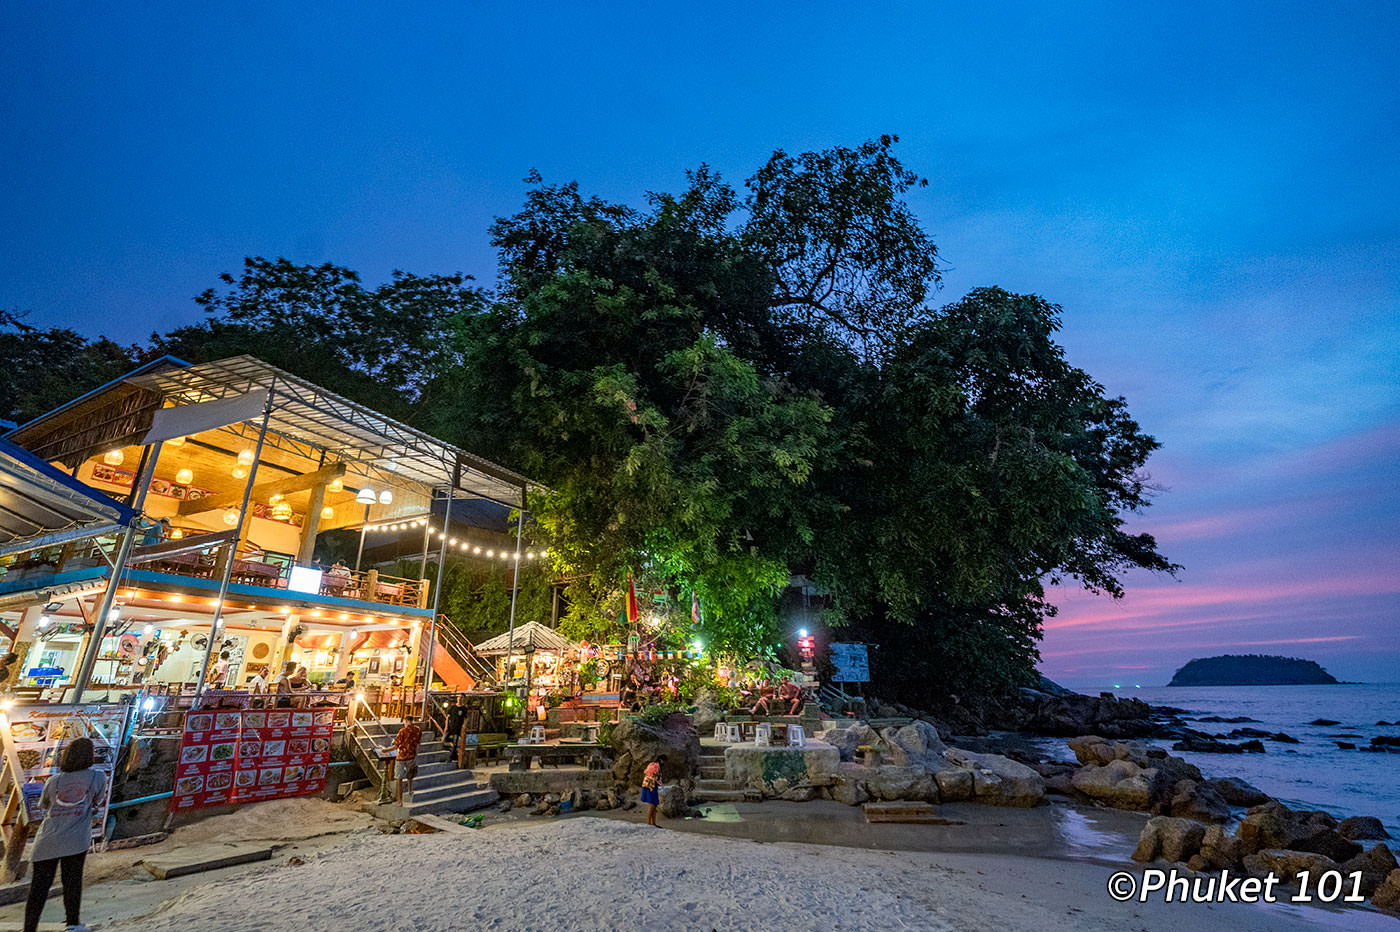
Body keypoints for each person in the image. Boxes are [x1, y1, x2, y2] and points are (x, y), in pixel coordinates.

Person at [24, 738, 104, 932]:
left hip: (48, 839)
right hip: (76, 839)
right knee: (72, 882)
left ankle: (29, 928)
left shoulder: (54, 780)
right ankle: (73, 924)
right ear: (89, 755)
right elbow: (98, 799)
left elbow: (44, 805)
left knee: (39, 888)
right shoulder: (97, 776)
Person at [392, 718, 422, 804]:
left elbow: (396, 746)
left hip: (401, 756)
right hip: (412, 755)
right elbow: (418, 743)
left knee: (399, 778)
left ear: (406, 721)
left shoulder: (402, 731)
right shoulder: (418, 730)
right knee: (410, 774)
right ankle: (409, 790)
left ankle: (400, 800)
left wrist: (385, 751)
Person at [641, 754, 666, 827]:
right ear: (661, 760)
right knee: (652, 805)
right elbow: (652, 776)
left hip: (650, 786)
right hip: (650, 787)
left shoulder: (653, 765)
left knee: (654, 805)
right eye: (663, 761)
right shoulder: (655, 766)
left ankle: (653, 823)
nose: (663, 762)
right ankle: (649, 822)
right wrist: (659, 780)